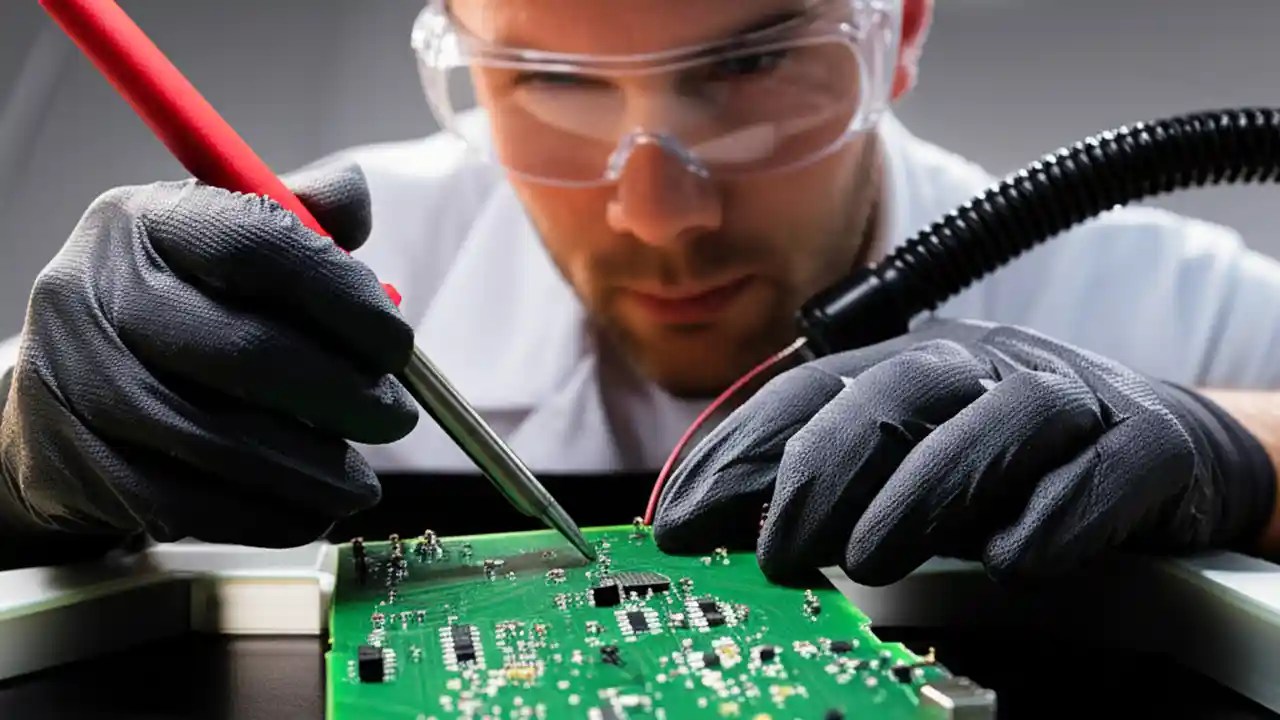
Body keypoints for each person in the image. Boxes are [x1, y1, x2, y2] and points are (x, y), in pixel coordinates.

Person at [1, 0, 1278, 582]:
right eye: (551, 81)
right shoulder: (278, 270)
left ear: (902, 28)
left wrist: (1244, 455)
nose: (658, 214)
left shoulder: (1166, 299)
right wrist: (16, 459)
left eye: (757, 61)